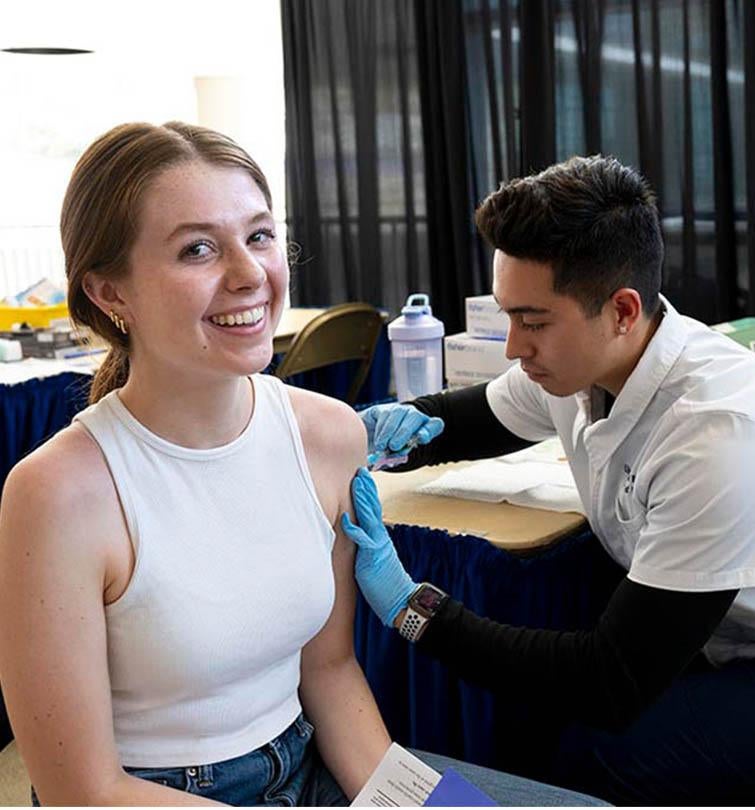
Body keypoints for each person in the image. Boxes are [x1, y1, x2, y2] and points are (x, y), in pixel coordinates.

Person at [0, 122, 604, 807]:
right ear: (110, 293)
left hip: (307, 763)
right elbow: (80, 790)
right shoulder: (59, 492)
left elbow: (330, 672)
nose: (250, 273)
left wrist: (410, 804)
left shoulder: (328, 435)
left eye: (258, 236)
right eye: (198, 249)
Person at [342, 155, 755, 805]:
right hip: (701, 632)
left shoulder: (713, 434)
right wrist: (359, 433)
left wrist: (411, 608)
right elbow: (473, 418)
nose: (512, 346)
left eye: (532, 322)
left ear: (621, 310)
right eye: (508, 316)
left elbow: (609, 684)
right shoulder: (587, 363)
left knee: (586, 756)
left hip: (740, 654)